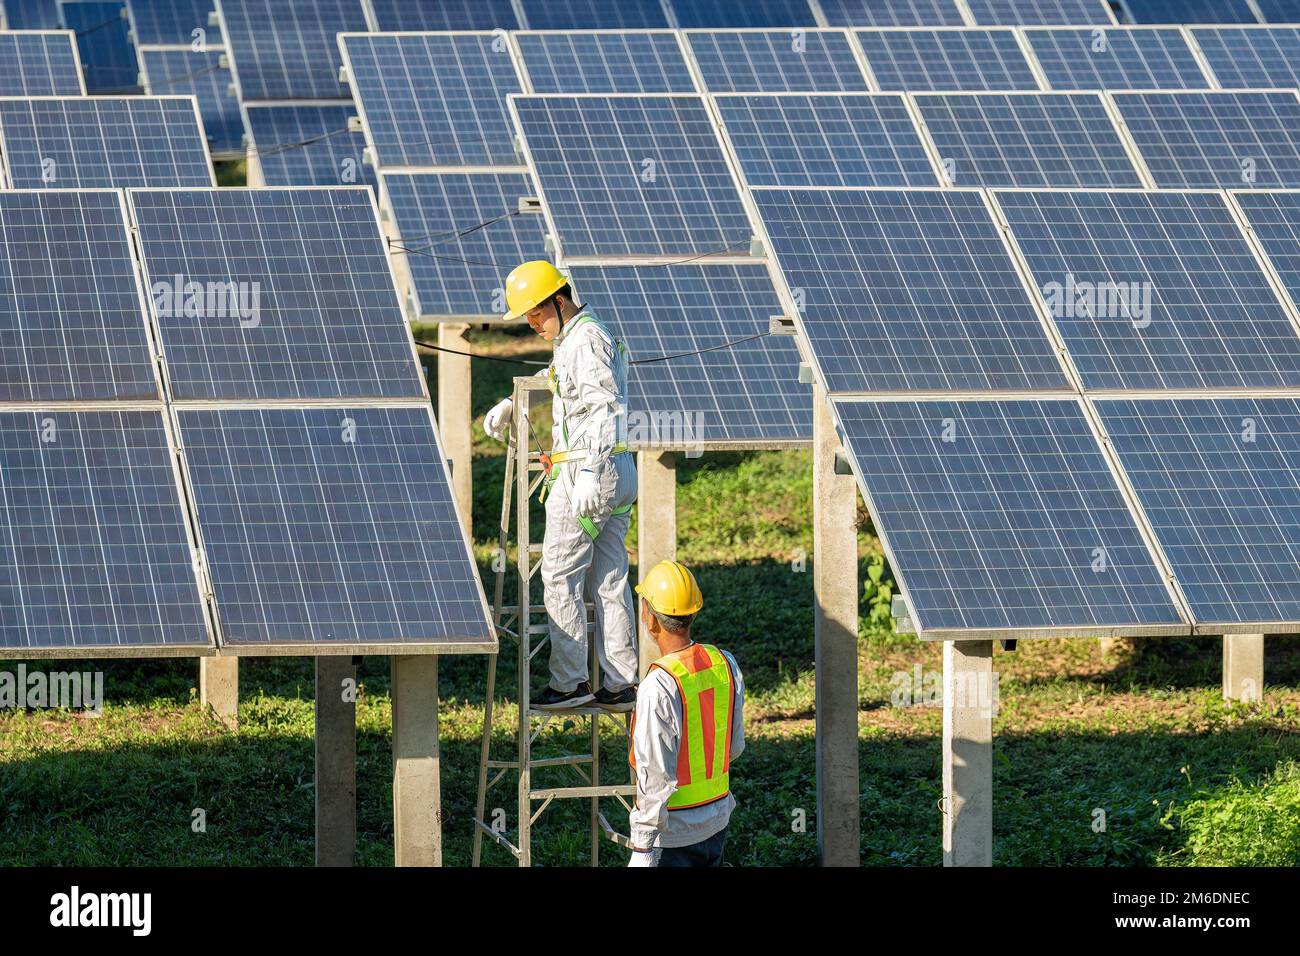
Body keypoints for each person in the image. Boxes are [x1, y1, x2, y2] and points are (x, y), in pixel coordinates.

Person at [483, 261, 639, 712]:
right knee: (609, 580)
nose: (532, 323)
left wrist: (589, 469)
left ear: (559, 299)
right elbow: (562, 383)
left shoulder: (585, 339)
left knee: (558, 575)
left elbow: (604, 406)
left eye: (535, 313)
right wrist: (515, 401)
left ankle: (569, 682)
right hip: (616, 472)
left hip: (589, 475)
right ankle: (620, 681)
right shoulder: (578, 336)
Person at [628, 560, 745, 868]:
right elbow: (734, 748)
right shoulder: (725, 663)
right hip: (717, 821)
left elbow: (654, 776)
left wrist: (642, 850)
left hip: (674, 837)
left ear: (650, 620)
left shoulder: (659, 685)